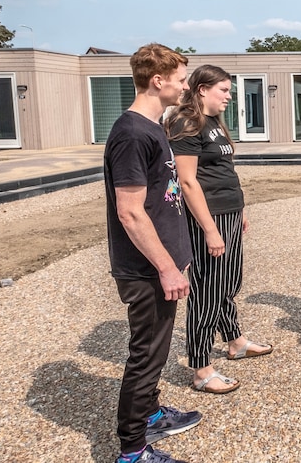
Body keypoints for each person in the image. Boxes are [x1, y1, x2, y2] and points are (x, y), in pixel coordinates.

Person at [103, 43, 201, 463]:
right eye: (180, 79)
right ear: (157, 80)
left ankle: (152, 414)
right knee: (146, 354)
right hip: (145, 270)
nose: (185, 86)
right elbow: (129, 211)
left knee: (157, 349)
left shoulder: (153, 126)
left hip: (161, 264)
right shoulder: (131, 133)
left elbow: (161, 199)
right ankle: (133, 449)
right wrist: (166, 267)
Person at [165, 65, 272, 395]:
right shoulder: (186, 121)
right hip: (206, 219)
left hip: (228, 212)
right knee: (206, 293)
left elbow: (223, 170)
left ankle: (235, 341)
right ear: (202, 90)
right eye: (223, 90)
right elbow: (186, 180)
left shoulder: (214, 123)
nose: (229, 96)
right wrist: (210, 229)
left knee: (228, 282)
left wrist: (238, 211)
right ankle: (201, 368)